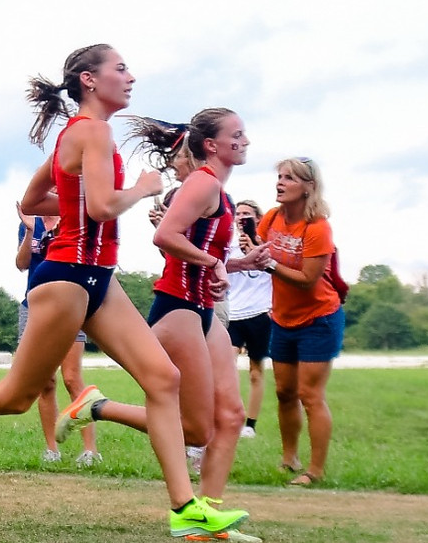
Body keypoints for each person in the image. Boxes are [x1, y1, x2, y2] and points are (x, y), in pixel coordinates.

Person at [0, 46, 246, 540]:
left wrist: (76, 203)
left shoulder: (77, 135)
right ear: (90, 80)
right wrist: (143, 189)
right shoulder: (92, 131)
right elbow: (108, 206)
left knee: (163, 378)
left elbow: (31, 201)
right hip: (66, 277)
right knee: (15, 395)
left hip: (99, 278)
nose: (130, 77)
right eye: (121, 69)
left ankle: (185, 508)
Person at [80, 112, 271, 517]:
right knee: (196, 430)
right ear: (211, 146)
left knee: (233, 415)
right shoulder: (202, 183)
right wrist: (214, 263)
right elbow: (164, 235)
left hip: (202, 310)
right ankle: (97, 406)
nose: (245, 141)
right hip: (179, 308)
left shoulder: (220, 191)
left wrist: (236, 263)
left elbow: (207, 255)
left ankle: (209, 510)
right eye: (236, 135)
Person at [258, 157, 343, 487]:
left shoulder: (318, 227)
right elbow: (260, 252)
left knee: (310, 396)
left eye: (290, 178)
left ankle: (315, 471)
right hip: (283, 318)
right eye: (279, 176)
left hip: (319, 319)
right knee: (283, 393)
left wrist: (269, 265)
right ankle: (288, 458)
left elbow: (308, 278)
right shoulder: (272, 218)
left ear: (309, 186)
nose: (280, 183)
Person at [15, 212, 100, 465]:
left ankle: (90, 450)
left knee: (72, 377)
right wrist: (30, 231)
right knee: (45, 382)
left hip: (70, 303)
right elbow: (21, 263)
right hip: (34, 305)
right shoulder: (31, 222)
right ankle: (52, 449)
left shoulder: (73, 221)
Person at [225, 200, 272, 438]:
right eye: (239, 213)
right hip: (234, 312)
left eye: (248, 214)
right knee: (228, 365)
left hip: (260, 312)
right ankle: (231, 415)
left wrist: (254, 246)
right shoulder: (228, 244)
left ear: (258, 218)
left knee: (256, 371)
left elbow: (274, 271)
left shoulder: (268, 245)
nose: (242, 217)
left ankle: (250, 425)